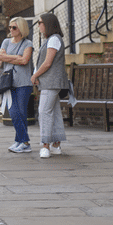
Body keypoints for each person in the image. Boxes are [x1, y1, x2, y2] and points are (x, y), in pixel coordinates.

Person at [31, 13, 69, 158]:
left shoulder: (53, 39)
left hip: (51, 82)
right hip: (51, 82)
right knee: (54, 112)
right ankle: (56, 145)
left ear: (47, 23)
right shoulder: (51, 39)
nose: (39, 25)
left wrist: (35, 75)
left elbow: (47, 63)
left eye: (40, 22)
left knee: (44, 112)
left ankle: (45, 145)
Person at [0, 18, 34, 154]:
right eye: (10, 27)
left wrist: (8, 56)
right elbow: (0, 58)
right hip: (9, 82)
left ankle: (21, 142)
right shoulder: (6, 42)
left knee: (21, 112)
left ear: (21, 29)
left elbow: (24, 60)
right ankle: (23, 141)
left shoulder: (28, 43)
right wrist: (15, 58)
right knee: (13, 112)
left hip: (24, 83)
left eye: (14, 27)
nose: (11, 30)